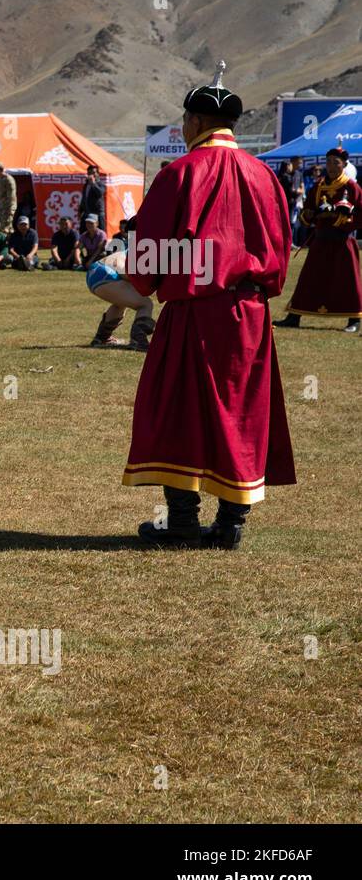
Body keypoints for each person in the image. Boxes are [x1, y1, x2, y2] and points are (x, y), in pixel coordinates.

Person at [125, 62, 294, 551]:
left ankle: (180, 520)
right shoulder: (265, 176)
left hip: (193, 310)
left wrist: (145, 279)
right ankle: (231, 524)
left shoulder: (179, 173)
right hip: (249, 316)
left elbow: (150, 248)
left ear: (195, 123)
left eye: (183, 120)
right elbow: (280, 253)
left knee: (178, 408)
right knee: (242, 409)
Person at [273, 147, 361, 333]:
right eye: (328, 162)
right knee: (308, 278)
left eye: (335, 163)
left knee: (347, 280)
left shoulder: (351, 187)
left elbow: (360, 214)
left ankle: (354, 318)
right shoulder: (318, 186)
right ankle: (294, 315)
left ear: (344, 164)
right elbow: (306, 212)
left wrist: (340, 218)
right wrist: (313, 214)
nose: (331, 167)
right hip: (320, 241)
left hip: (342, 241)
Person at [86, 248, 154, 349]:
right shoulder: (141, 254)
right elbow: (124, 271)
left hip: (94, 273)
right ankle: (137, 340)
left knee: (121, 304)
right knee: (145, 304)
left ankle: (102, 338)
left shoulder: (136, 251)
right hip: (106, 273)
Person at [0, 163, 16, 236]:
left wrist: (9, 208)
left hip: (8, 206)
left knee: (7, 225)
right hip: (1, 206)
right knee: (4, 225)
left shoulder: (8, 179)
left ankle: (7, 242)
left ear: (0, 170)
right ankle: (10, 241)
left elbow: (11, 195)